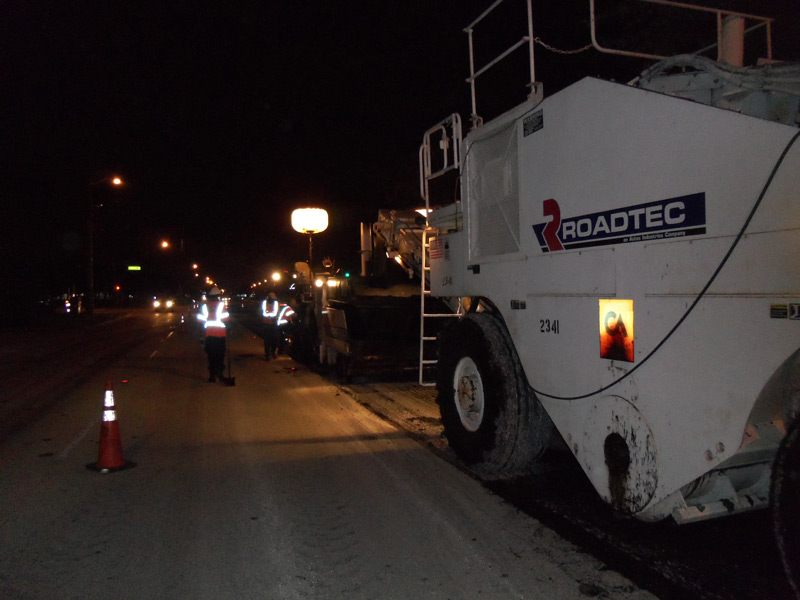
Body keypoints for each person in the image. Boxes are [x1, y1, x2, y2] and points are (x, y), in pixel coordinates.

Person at [197, 287, 229, 382]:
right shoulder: (221, 306)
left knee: (211, 355)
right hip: (220, 335)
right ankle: (220, 374)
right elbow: (226, 319)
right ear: (218, 296)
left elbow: (200, 321)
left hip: (209, 334)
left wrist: (201, 335)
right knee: (220, 355)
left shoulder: (205, 307)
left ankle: (212, 376)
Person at [261, 292, 280, 360]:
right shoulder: (265, 303)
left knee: (273, 340)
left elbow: (276, 312)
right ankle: (268, 354)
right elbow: (263, 312)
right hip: (268, 324)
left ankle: (271, 353)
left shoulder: (275, 303)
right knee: (268, 340)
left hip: (272, 323)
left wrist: (270, 314)